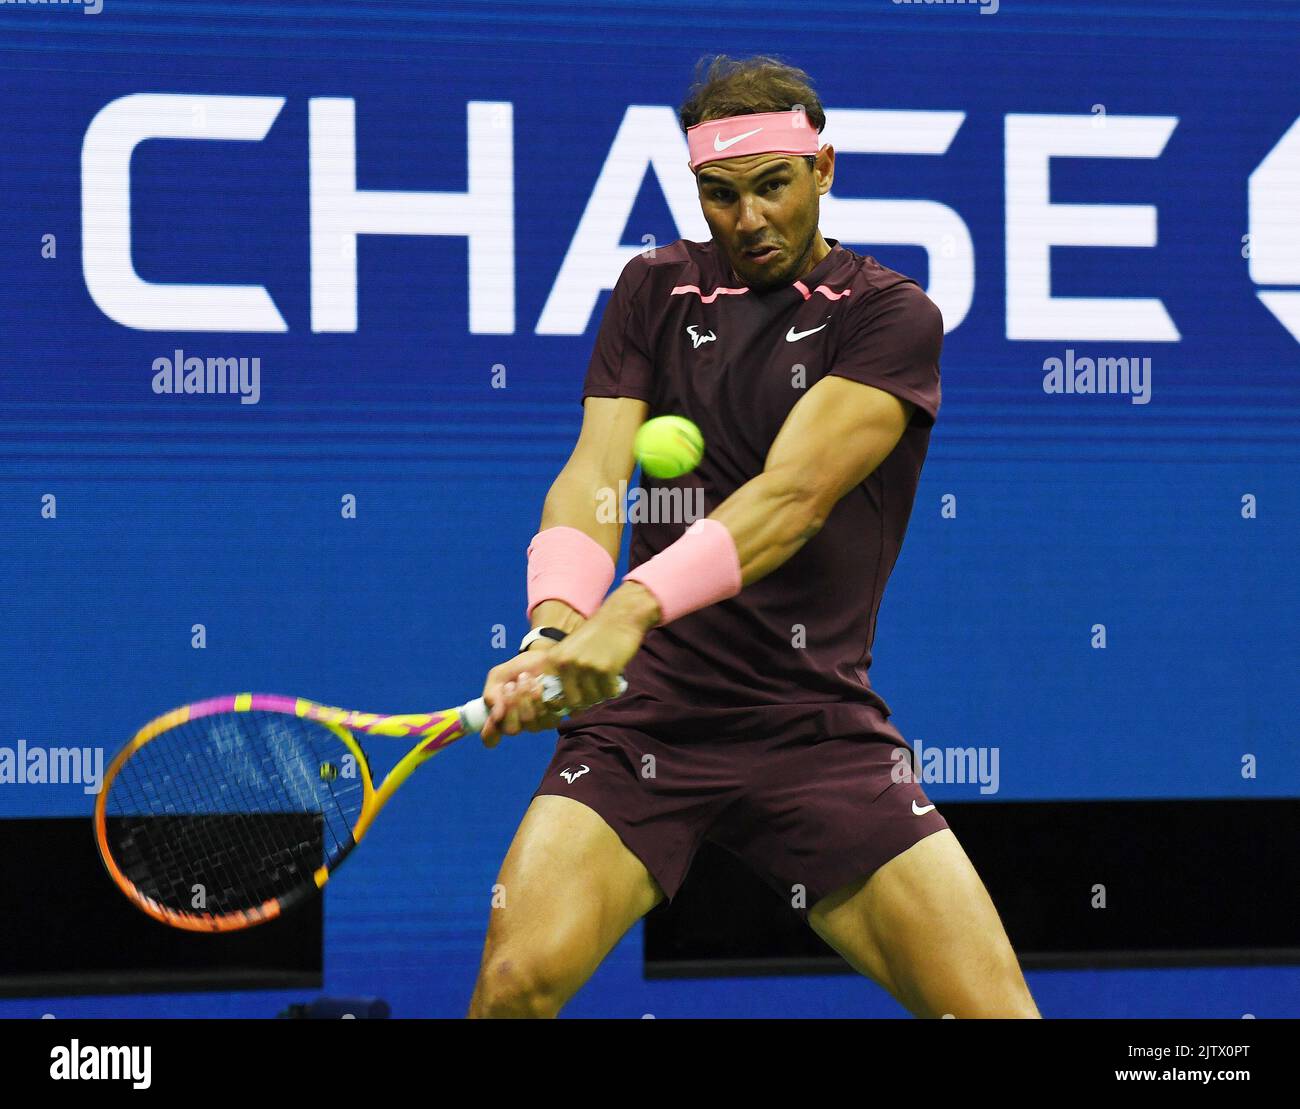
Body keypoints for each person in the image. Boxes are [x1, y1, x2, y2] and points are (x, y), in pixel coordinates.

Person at [468, 54, 1040, 1019]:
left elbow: (792, 498)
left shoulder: (890, 316)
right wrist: (557, 626)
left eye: (773, 185)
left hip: (811, 723)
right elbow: (594, 471)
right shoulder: (653, 288)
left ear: (823, 169)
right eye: (719, 195)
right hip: (642, 716)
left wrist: (630, 609)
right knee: (513, 987)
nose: (749, 220)